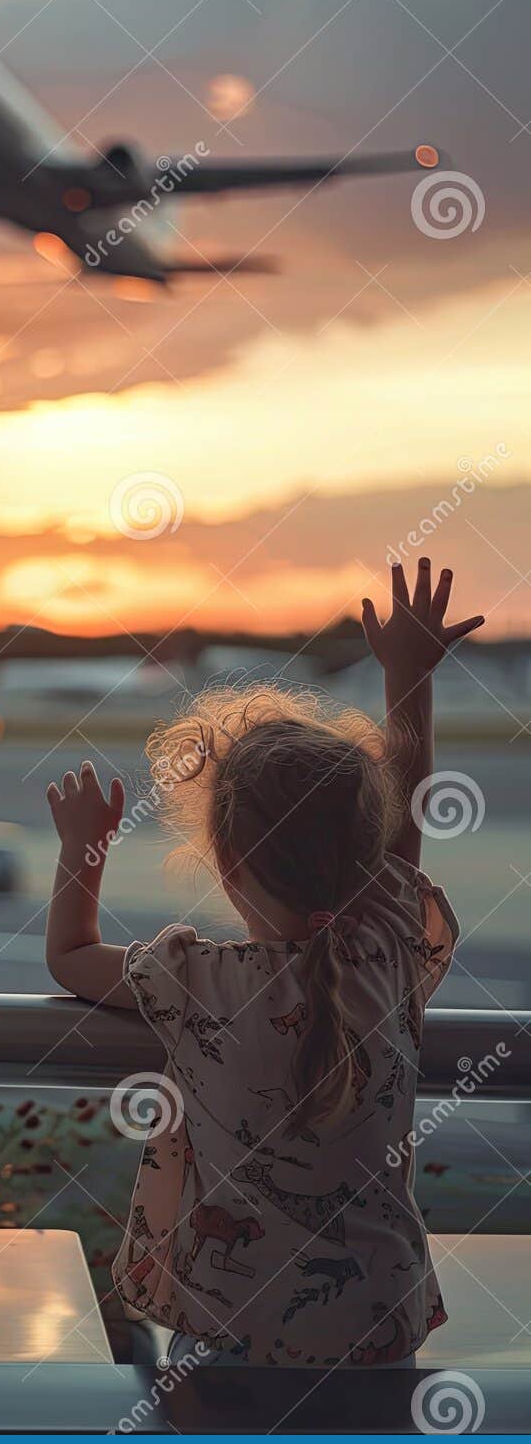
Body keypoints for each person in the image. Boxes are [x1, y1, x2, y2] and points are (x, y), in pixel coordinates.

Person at [44, 560, 485, 1369]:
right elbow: (406, 824)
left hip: (232, 1317)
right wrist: (408, 679)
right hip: (379, 1313)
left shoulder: (193, 976)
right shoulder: (382, 951)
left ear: (226, 862)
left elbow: (69, 956)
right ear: (367, 855)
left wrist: (84, 849)